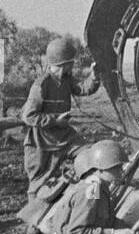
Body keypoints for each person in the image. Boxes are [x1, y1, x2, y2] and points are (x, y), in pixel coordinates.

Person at [21, 37, 96, 196]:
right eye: (71, 62)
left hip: (64, 136)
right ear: (64, 63)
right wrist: (55, 120)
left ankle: (90, 200)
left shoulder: (66, 79)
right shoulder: (41, 85)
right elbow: (29, 116)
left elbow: (82, 89)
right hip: (41, 142)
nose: (73, 65)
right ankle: (34, 218)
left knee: (90, 156)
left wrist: (94, 76)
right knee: (38, 185)